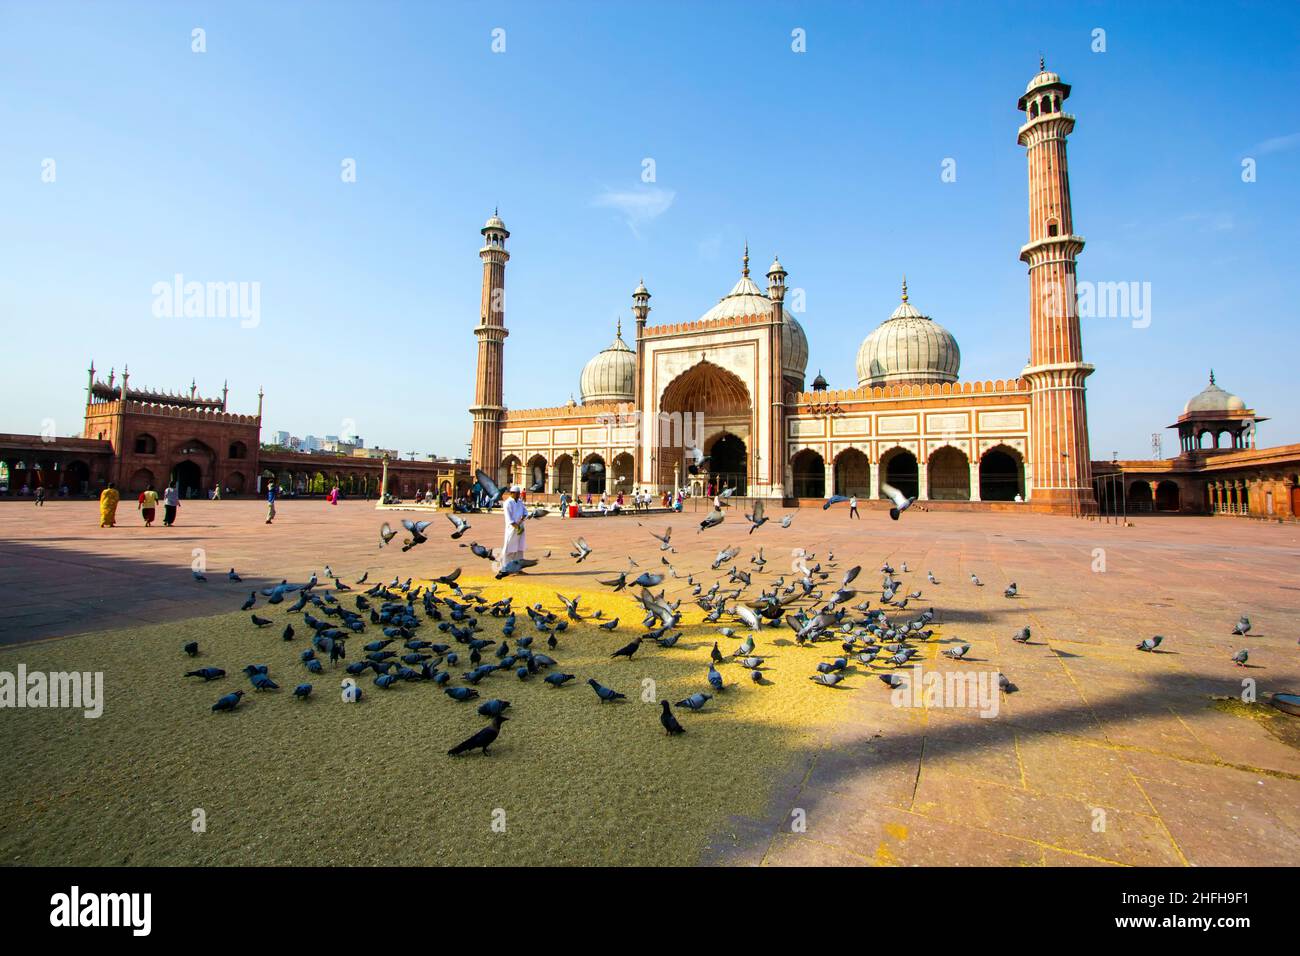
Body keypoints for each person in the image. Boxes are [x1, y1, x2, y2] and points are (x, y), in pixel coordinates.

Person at [500, 484, 527, 567]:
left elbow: (525, 512)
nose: (519, 495)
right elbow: (508, 518)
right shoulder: (508, 503)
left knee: (519, 548)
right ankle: (505, 567)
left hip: (520, 526)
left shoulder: (519, 502)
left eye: (519, 493)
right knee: (509, 547)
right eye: (517, 493)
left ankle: (518, 568)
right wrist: (516, 526)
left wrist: (521, 520)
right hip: (512, 528)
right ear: (512, 493)